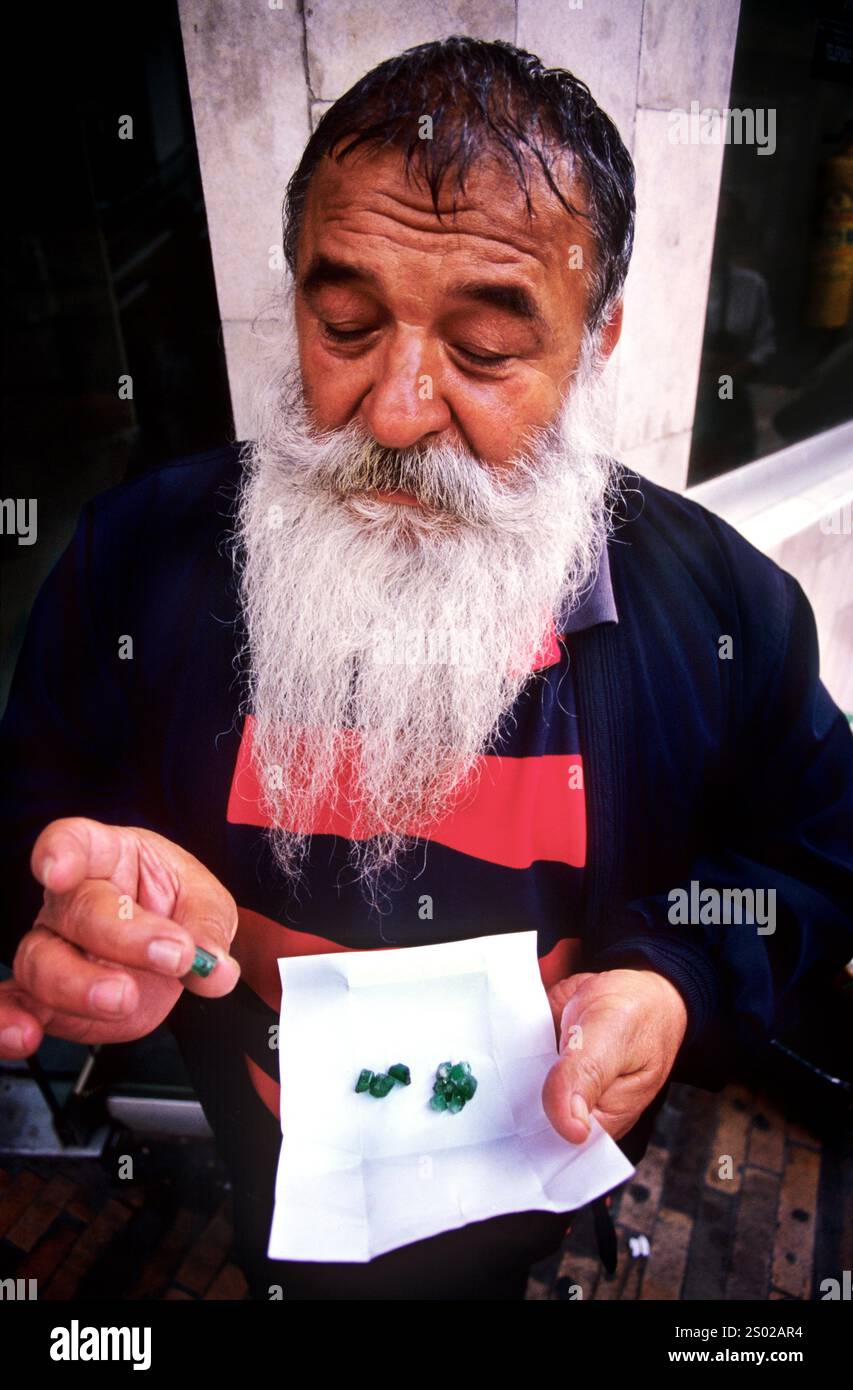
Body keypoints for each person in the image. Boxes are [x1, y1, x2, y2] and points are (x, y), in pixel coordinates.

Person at [1, 36, 851, 1300]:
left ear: (598, 336)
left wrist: (673, 984)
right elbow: (34, 807)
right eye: (343, 322)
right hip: (269, 1133)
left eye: (488, 351)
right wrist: (62, 897)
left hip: (536, 1157)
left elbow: (809, 853)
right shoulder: (141, 560)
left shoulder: (722, 611)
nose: (394, 411)